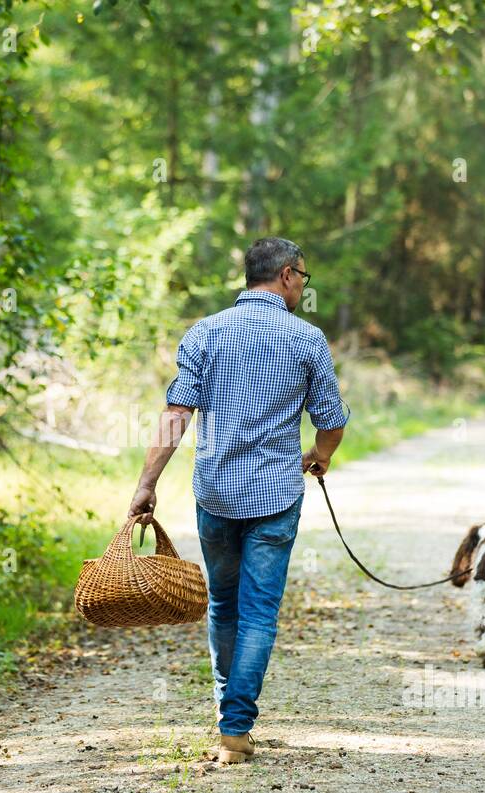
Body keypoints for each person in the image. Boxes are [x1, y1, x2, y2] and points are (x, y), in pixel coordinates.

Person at [126, 236, 349, 764]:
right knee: (259, 613)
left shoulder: (205, 332)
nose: (302, 286)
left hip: (216, 495)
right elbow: (332, 423)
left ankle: (229, 714)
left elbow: (176, 416)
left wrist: (146, 484)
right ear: (289, 275)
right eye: (304, 278)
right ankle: (235, 727)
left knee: (224, 604)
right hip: (275, 494)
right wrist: (320, 455)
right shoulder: (306, 339)